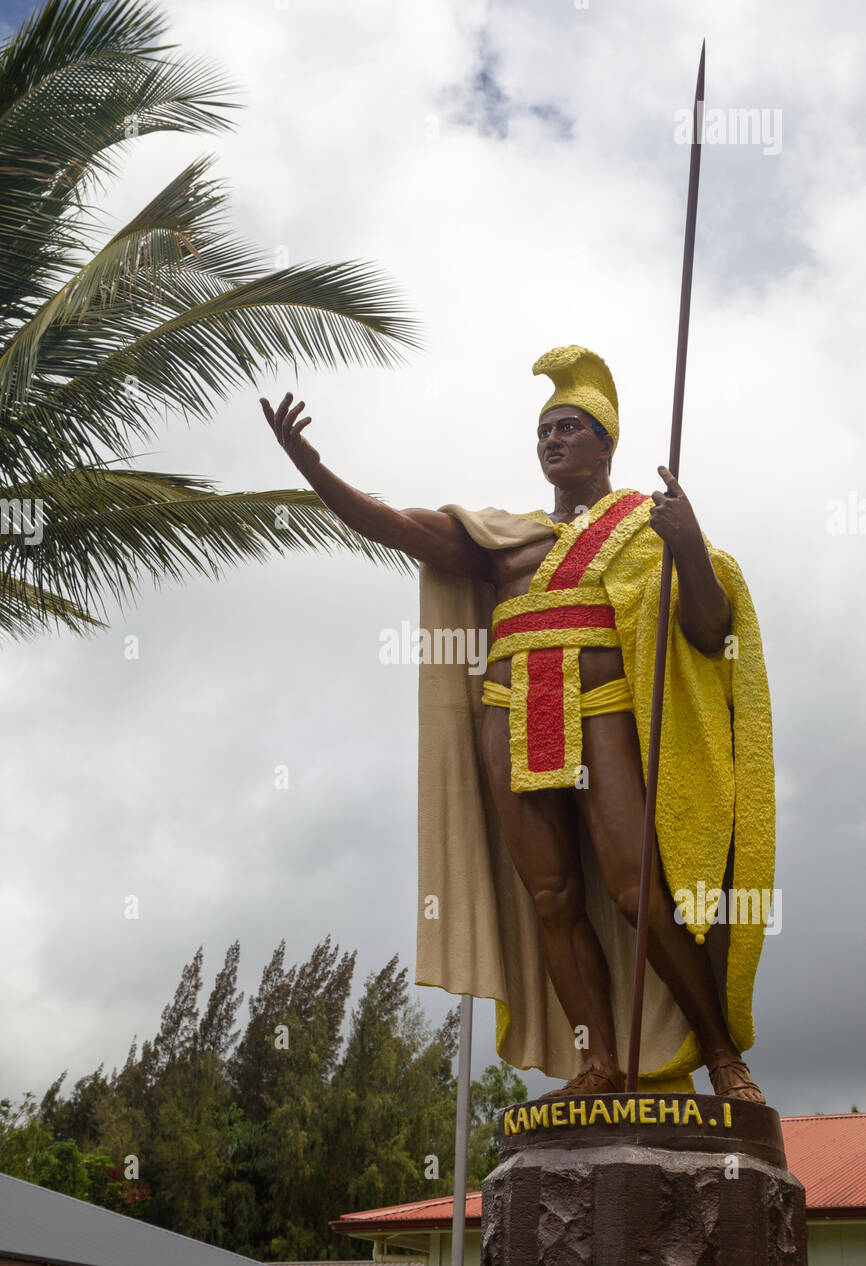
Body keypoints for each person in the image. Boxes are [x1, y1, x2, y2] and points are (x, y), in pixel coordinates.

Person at [260, 344, 775, 1102]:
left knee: (636, 891)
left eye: (570, 427)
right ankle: (597, 1061)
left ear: (605, 443)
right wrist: (312, 466)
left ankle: (722, 1055)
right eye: (544, 432)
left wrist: (690, 544)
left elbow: (707, 631)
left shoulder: (644, 527)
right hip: (511, 718)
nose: (553, 440)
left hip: (602, 715)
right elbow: (396, 528)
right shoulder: (504, 537)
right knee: (552, 898)